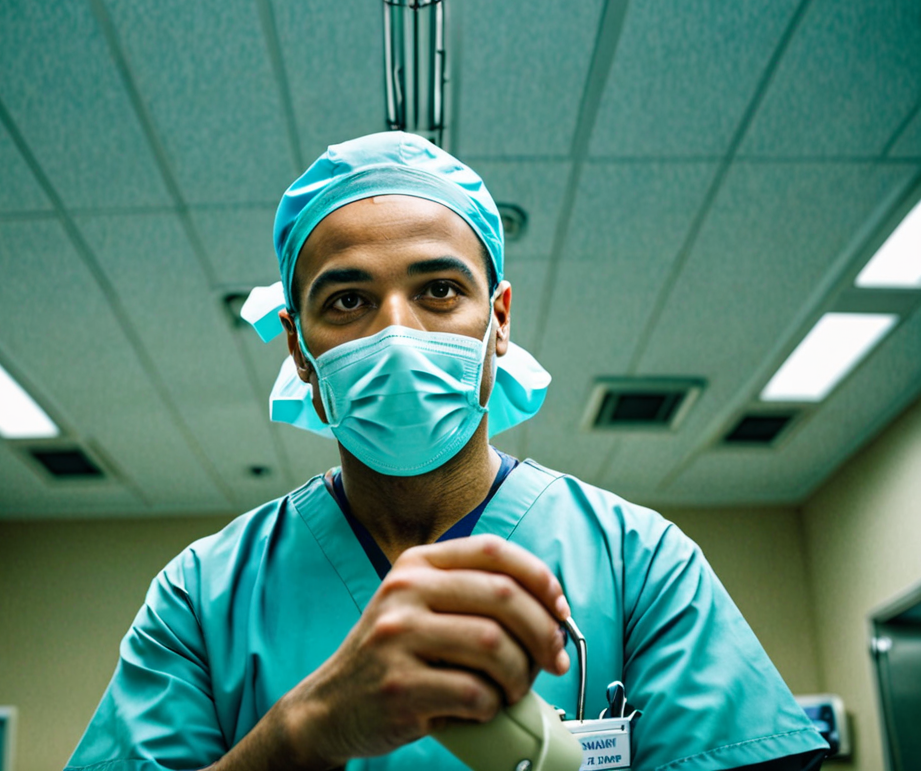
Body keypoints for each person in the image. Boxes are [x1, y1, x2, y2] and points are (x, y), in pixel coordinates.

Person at [66, 132, 827, 771]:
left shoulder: (640, 564)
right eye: (349, 301)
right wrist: (307, 730)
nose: (398, 335)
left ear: (498, 320)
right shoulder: (203, 598)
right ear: (298, 346)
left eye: (437, 291)